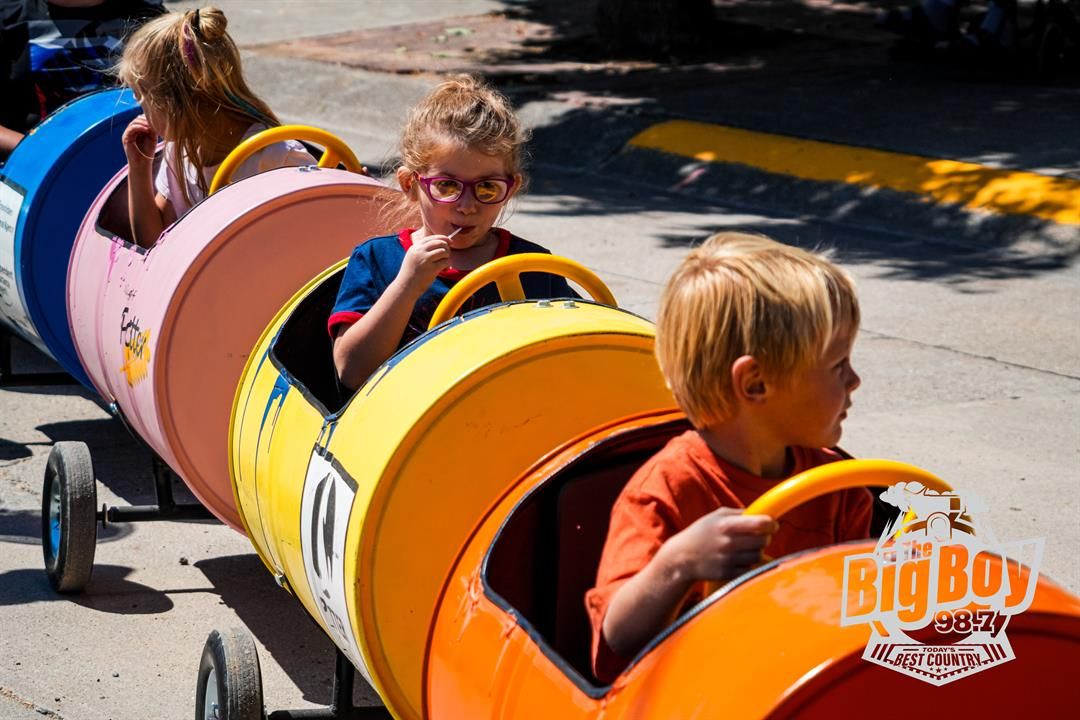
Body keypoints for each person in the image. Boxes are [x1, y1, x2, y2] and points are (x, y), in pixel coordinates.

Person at [585, 232, 873, 684]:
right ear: (755, 383)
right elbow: (614, 642)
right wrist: (680, 562)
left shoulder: (839, 485)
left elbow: (858, 622)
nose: (854, 380)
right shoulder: (665, 490)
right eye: (839, 365)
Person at [329, 74, 575, 391]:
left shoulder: (533, 266)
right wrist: (407, 286)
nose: (467, 205)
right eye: (447, 186)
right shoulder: (377, 260)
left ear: (511, 188)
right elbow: (351, 372)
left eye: (487, 188)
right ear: (410, 184)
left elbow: (580, 350)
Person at [117, 6, 313, 248]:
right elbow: (154, 244)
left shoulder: (275, 157)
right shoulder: (179, 152)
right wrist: (138, 168)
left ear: (175, 102)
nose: (140, 108)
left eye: (140, 95)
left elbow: (315, 237)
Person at [0, 0, 164, 158]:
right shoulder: (9, 15)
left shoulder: (148, 15)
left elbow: (173, 101)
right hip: (37, 165)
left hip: (137, 157)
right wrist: (41, 153)